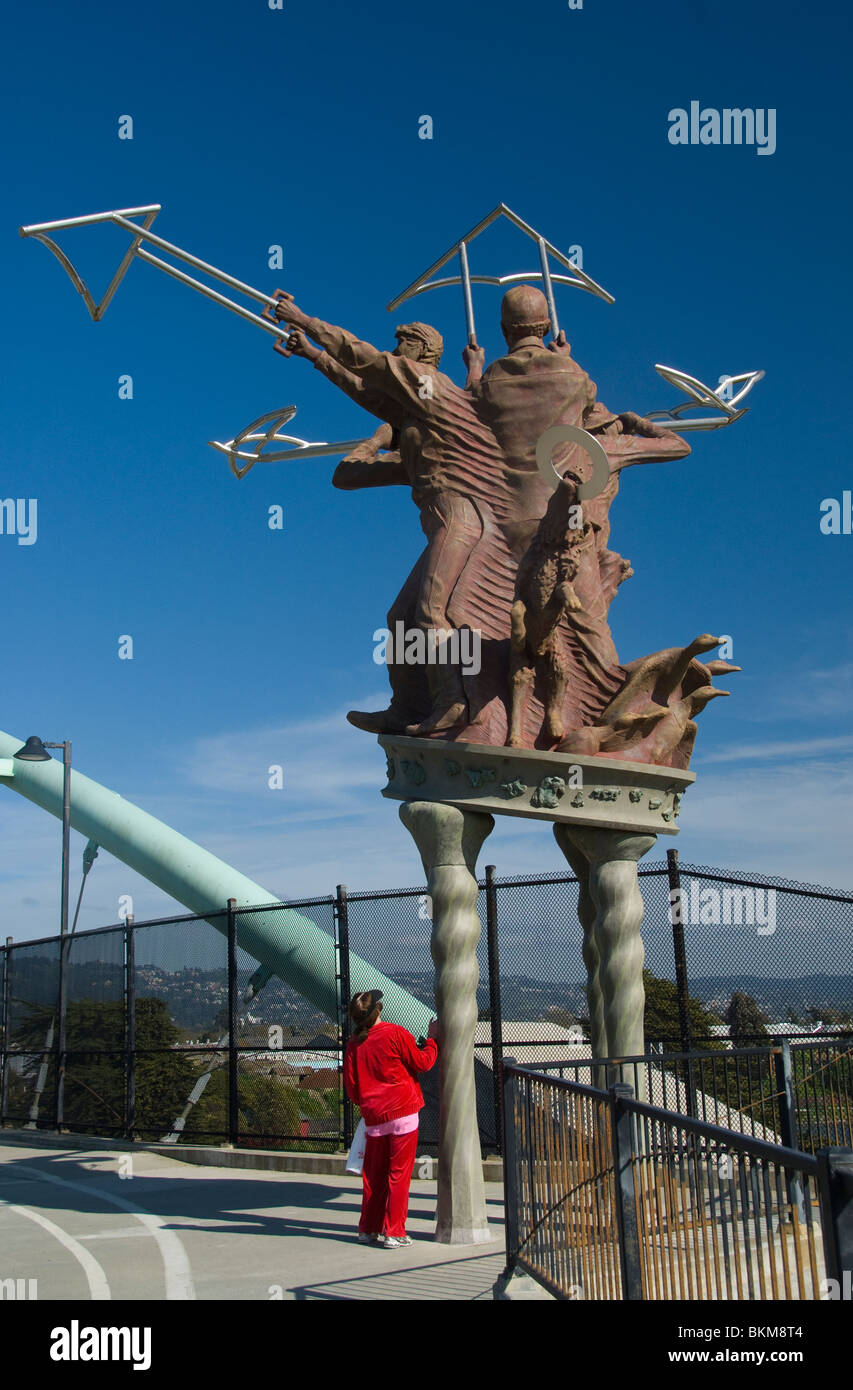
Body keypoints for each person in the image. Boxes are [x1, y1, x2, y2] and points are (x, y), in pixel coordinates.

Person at [343, 990, 439, 1248]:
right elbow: (423, 1063)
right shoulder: (396, 1034)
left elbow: (352, 1089)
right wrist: (432, 1041)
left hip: (374, 1119)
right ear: (378, 1011)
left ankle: (368, 1228)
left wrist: (370, 1104)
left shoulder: (353, 1045)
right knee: (398, 1175)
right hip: (403, 1114)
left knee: (373, 1177)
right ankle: (394, 1231)